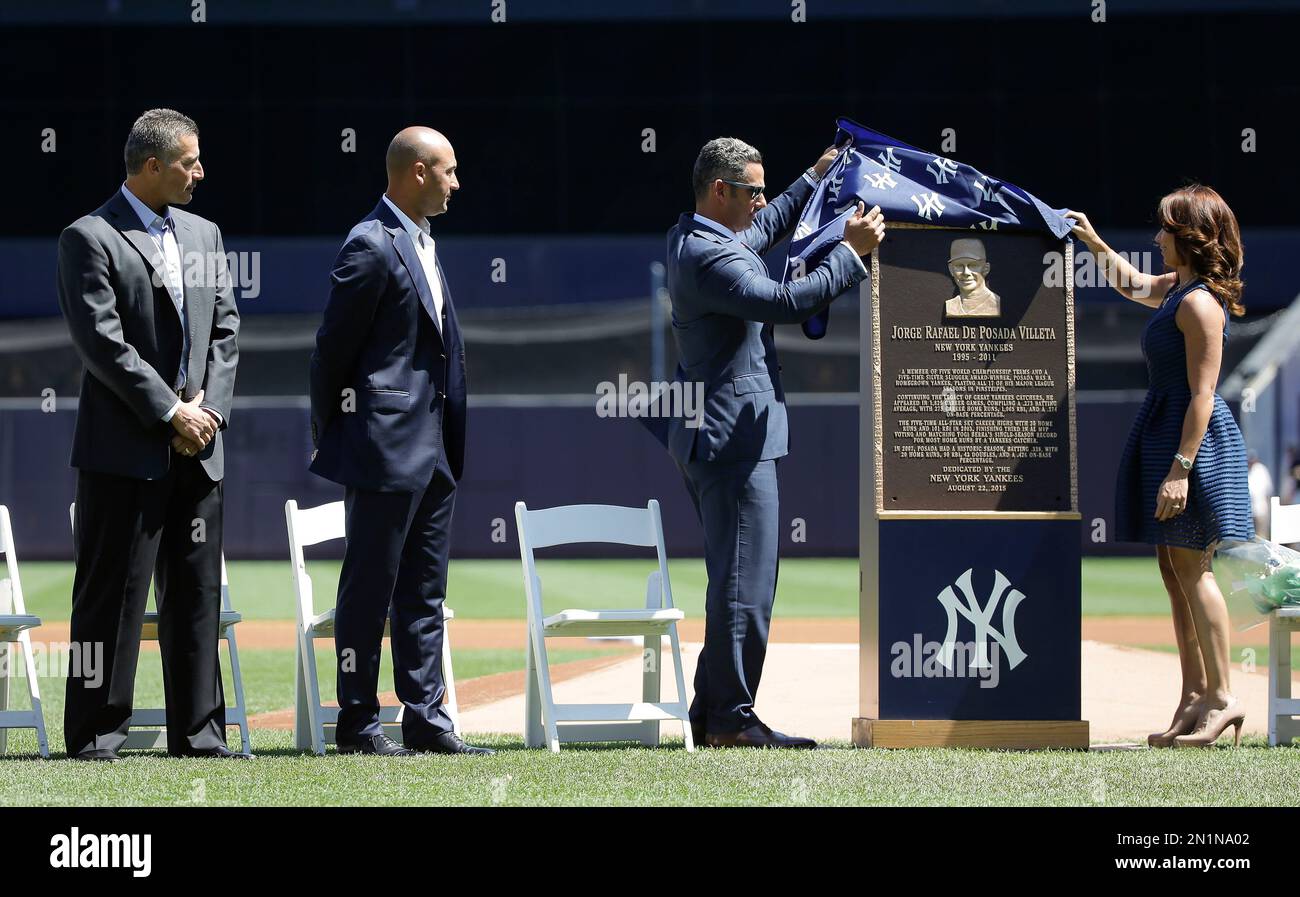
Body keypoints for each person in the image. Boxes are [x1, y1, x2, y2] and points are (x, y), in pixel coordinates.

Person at [660, 137, 884, 748]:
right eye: (754, 191)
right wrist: (849, 253)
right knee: (745, 585)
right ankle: (732, 719)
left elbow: (768, 227)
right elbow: (786, 301)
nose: (763, 202)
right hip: (731, 438)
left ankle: (714, 713)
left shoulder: (702, 238)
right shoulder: (710, 257)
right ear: (720, 191)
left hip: (719, 432)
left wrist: (811, 179)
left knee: (733, 578)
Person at [56, 108, 244, 760]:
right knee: (110, 601)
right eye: (190, 161)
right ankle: (95, 735)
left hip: (201, 447)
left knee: (196, 597)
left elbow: (225, 327)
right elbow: (102, 345)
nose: (201, 172)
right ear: (154, 165)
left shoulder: (205, 234)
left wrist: (209, 412)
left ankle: (200, 736)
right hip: (124, 450)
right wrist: (171, 412)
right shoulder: (89, 237)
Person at [309, 127, 491, 756]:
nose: (456, 182)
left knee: (424, 590)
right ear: (416, 172)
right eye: (449, 170)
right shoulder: (369, 243)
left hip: (437, 446)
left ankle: (427, 720)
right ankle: (358, 724)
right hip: (384, 447)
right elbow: (332, 352)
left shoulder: (422, 240)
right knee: (368, 588)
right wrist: (340, 434)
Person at [1069, 185, 1253, 749]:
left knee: (1194, 569)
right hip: (1166, 434)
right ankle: (1193, 695)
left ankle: (1223, 699)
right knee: (1174, 573)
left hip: (1192, 445)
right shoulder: (1178, 289)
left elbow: (1204, 396)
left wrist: (1180, 468)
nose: (1156, 237)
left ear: (1190, 236)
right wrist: (1094, 242)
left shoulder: (1199, 304)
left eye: (1165, 229)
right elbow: (1135, 284)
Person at [943, 237, 1000, 317]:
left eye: (973, 265)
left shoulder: (996, 303)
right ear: (951, 269)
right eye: (959, 265)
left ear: (986, 268)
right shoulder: (950, 305)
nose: (966, 272)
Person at [1247, 450, 1274, 539]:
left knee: (1262, 537)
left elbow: (1268, 490)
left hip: (1261, 510)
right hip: (1249, 511)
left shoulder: (1262, 470)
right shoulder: (1246, 471)